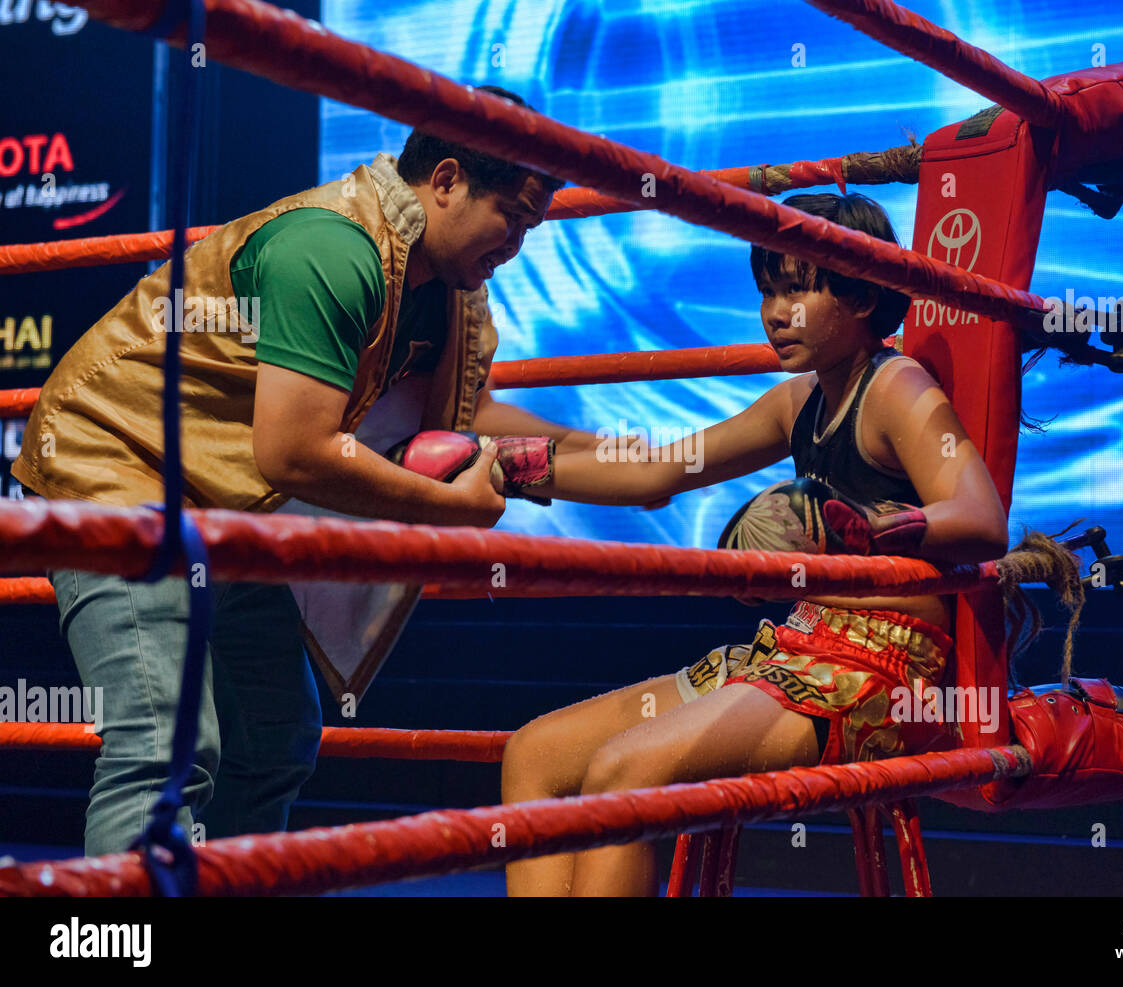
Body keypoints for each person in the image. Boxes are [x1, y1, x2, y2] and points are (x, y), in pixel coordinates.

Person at [9, 85, 613, 856]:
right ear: (449, 179)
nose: (517, 245)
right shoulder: (333, 248)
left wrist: (681, 453)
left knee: (272, 735)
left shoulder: (440, 293)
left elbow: (483, 429)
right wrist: (444, 506)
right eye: (515, 218)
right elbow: (294, 451)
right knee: (165, 743)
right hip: (114, 468)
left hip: (218, 504)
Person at [499, 192, 1009, 896]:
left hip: (883, 669)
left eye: (796, 289)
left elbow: (982, 517)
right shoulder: (797, 400)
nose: (775, 311)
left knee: (626, 768)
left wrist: (869, 533)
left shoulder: (897, 385)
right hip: (800, 644)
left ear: (861, 293)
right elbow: (657, 467)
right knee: (537, 754)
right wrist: (528, 468)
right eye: (768, 289)